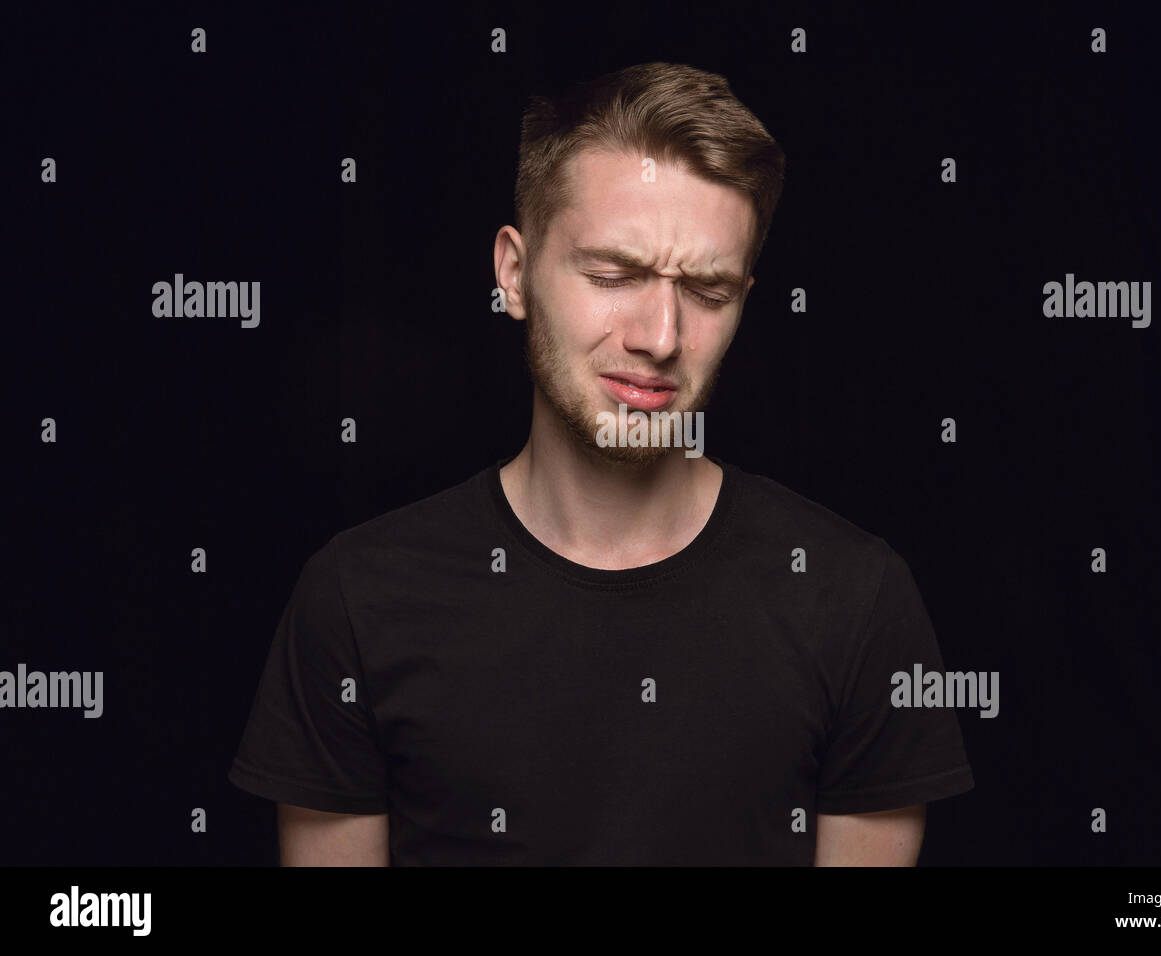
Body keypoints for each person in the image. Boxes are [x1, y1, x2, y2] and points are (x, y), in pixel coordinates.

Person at [228, 61, 974, 866]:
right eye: (613, 275)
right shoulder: (356, 598)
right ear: (514, 274)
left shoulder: (854, 599)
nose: (659, 335)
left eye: (708, 291)